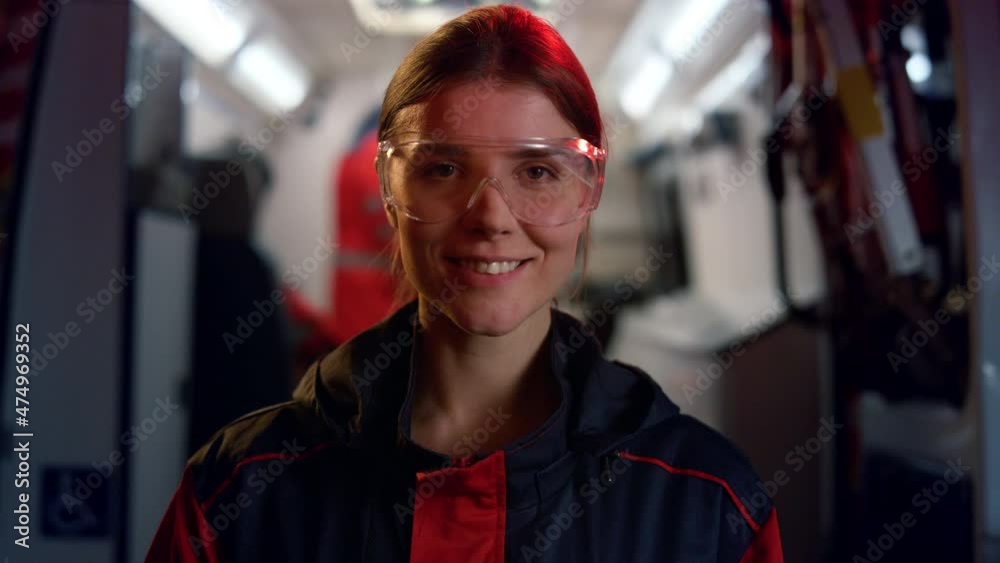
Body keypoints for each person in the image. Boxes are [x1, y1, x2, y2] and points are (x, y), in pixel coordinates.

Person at [144, 5, 784, 562]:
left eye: (536, 172)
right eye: (445, 168)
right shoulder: (241, 489)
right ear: (390, 193)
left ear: (589, 192)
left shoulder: (705, 503)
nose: (491, 218)